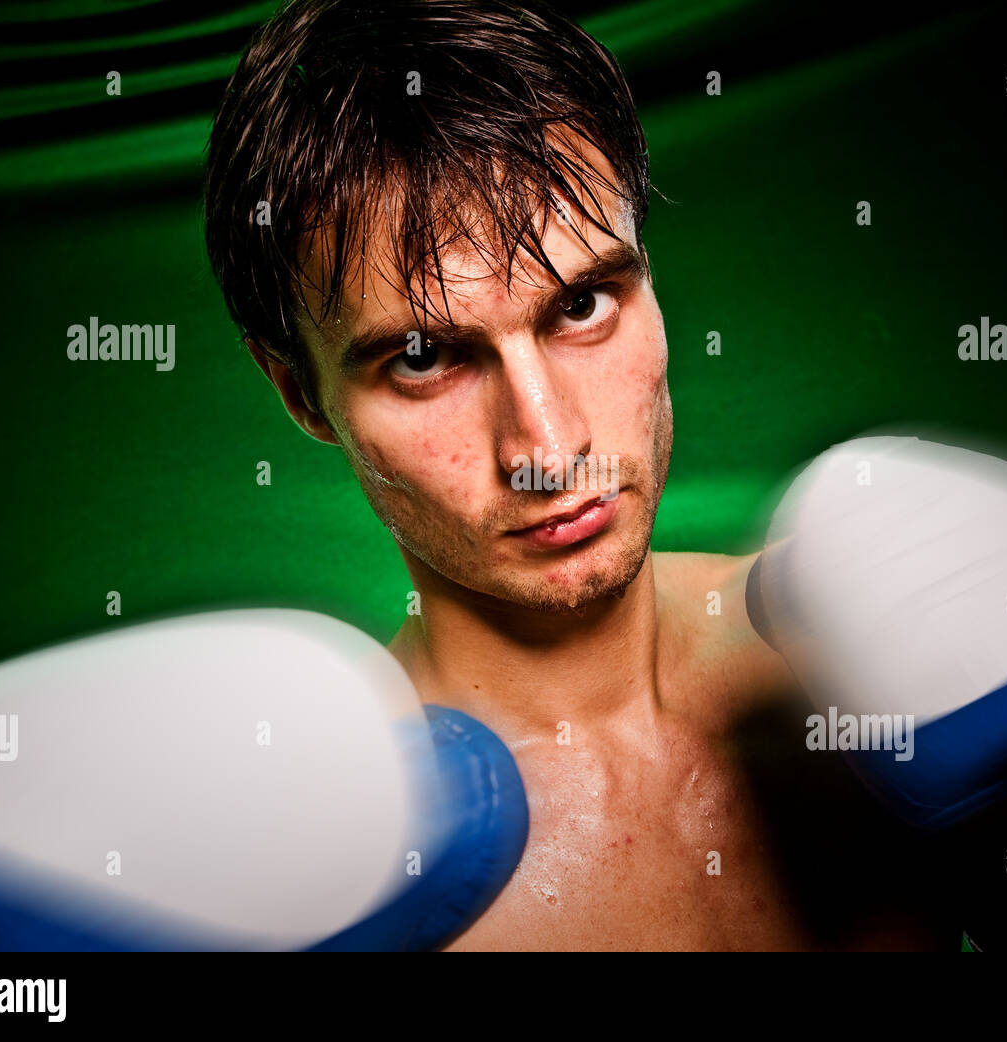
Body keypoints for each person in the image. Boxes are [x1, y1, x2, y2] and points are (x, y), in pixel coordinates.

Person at [204, 0, 954, 951]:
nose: (550, 449)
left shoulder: (869, 665)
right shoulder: (319, 866)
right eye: (427, 358)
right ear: (301, 395)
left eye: (583, 303)